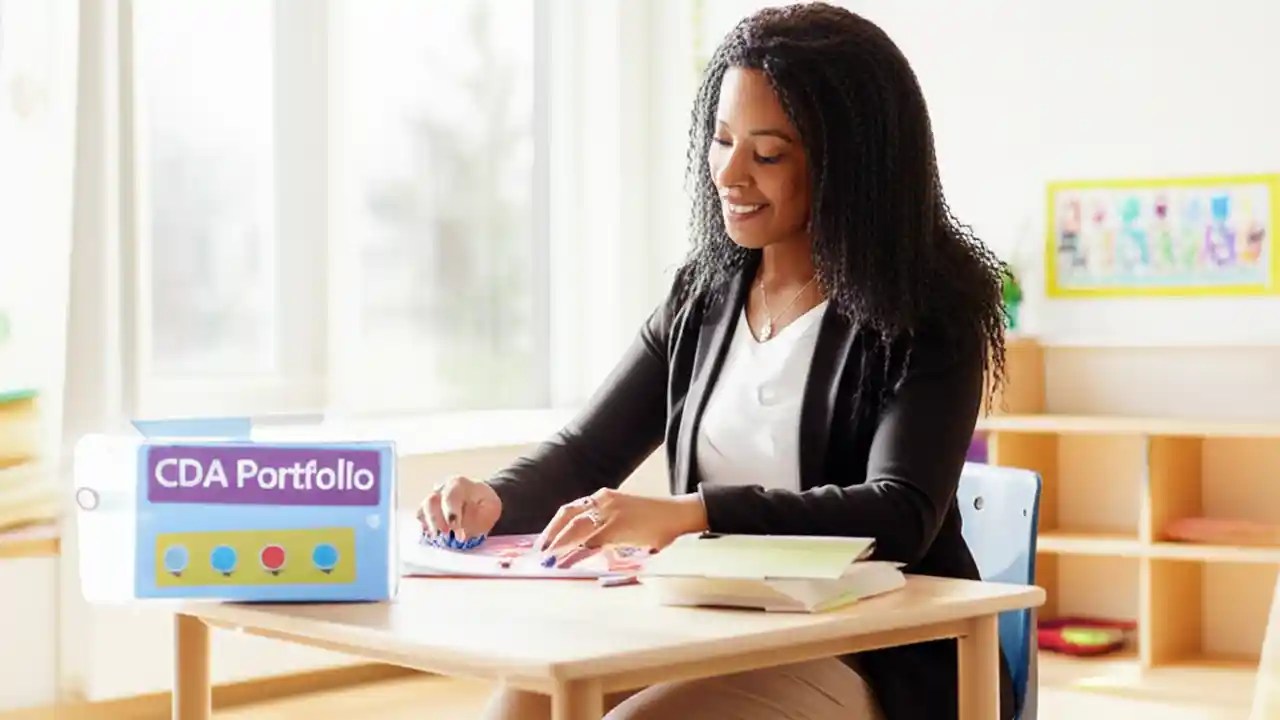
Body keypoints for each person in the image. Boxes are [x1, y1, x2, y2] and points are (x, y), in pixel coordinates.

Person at [417, 3, 1013, 718]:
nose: (729, 173)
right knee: (521, 707)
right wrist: (493, 498)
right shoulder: (703, 297)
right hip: (711, 625)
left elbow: (901, 511)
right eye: (721, 140)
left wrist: (689, 515)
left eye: (767, 154)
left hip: (869, 652)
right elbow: (586, 455)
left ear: (849, 166)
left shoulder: (928, 309)